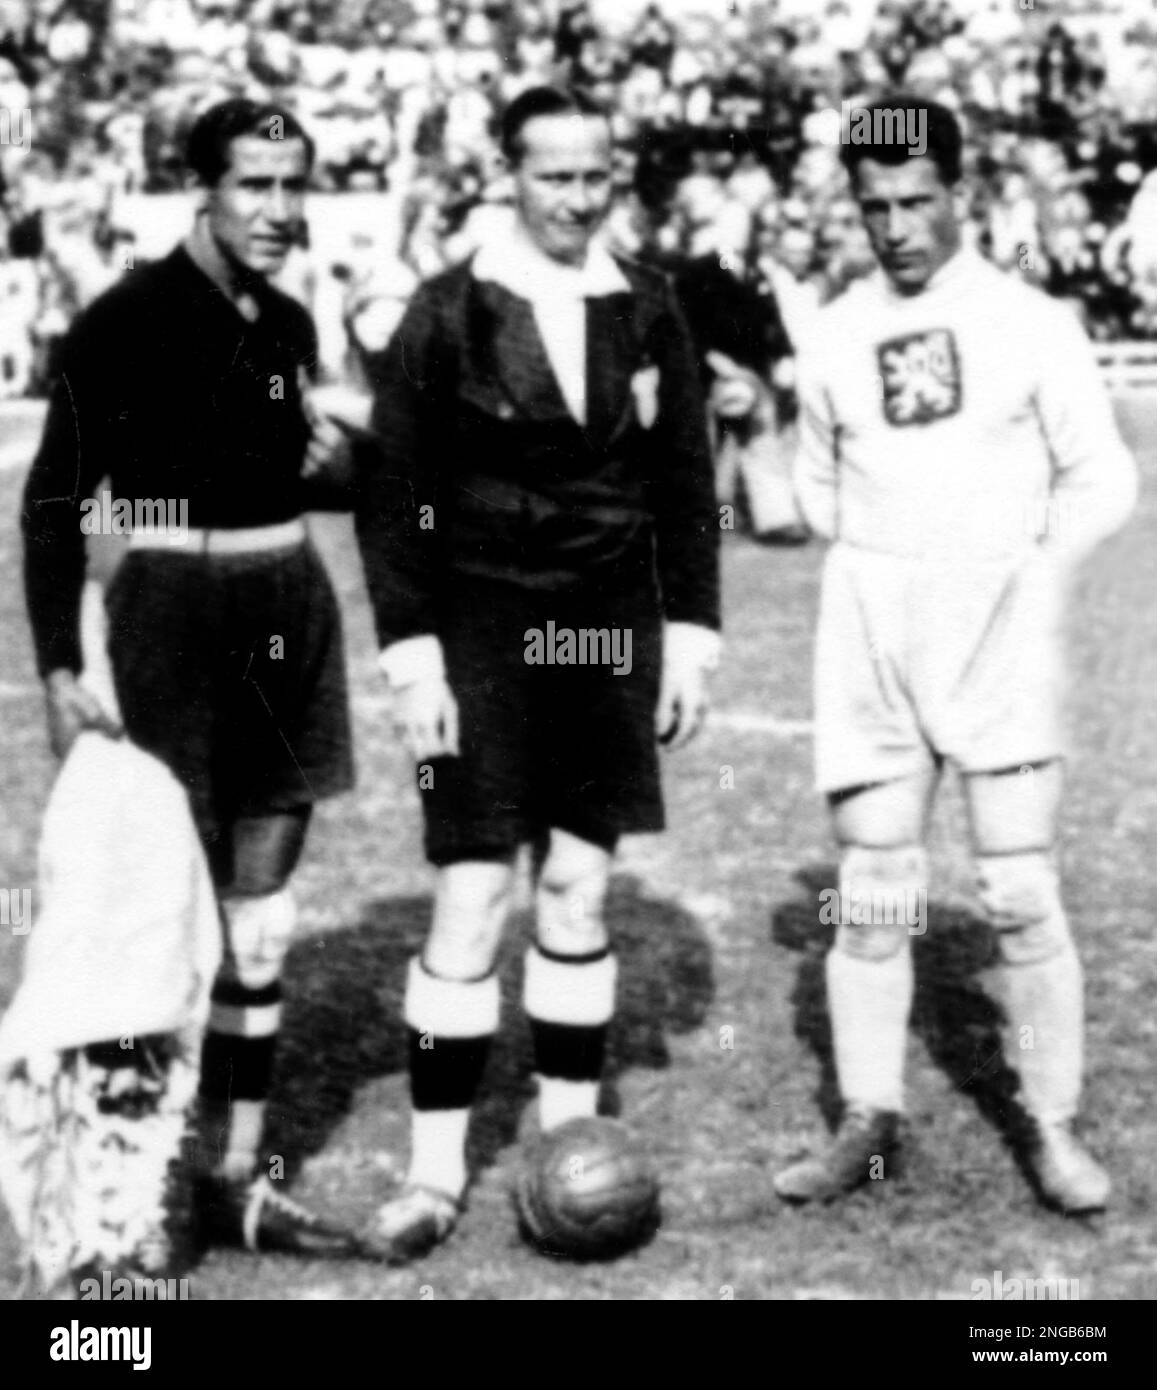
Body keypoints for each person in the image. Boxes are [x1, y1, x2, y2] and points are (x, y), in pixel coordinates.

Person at [355, 85, 720, 1262]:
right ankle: (431, 1171)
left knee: (575, 885)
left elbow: (681, 481)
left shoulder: (649, 303)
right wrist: (413, 654)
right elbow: (395, 489)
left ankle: (571, 1149)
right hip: (481, 622)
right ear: (507, 173)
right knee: (472, 893)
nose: (575, 196)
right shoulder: (448, 310)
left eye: (594, 173)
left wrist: (692, 635)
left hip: (609, 625)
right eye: (552, 174)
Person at [778, 97, 1137, 1213]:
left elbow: (1102, 480)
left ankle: (1051, 1124)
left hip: (1003, 631)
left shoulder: (1031, 319)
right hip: (874, 628)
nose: (895, 227)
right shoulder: (832, 332)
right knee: (874, 889)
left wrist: (1025, 578)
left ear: (959, 196)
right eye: (874, 206)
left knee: (1018, 892)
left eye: (916, 202)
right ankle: (867, 1117)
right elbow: (815, 492)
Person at [21, 98, 361, 1258]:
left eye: (293, 185)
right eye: (254, 185)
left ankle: (237, 1170)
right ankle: (130, 1189)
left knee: (262, 921)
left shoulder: (294, 320)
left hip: (286, 603)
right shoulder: (125, 318)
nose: (278, 210)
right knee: (149, 904)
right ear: (201, 189)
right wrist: (61, 664)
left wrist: (344, 469)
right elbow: (53, 499)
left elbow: (289, 479)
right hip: (167, 614)